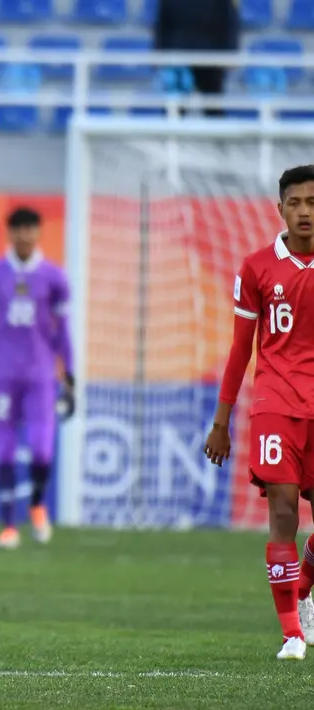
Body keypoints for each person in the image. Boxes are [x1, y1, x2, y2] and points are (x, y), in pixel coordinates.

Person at [205, 165, 314, 661]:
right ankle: (292, 633)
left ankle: (304, 589)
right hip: (275, 403)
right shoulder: (257, 267)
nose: (304, 212)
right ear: (280, 209)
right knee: (284, 510)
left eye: (312, 202)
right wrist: (221, 422)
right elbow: (239, 350)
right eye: (295, 202)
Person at [0, 207, 73, 550]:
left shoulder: (55, 277)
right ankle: (9, 526)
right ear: (9, 233)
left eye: (30, 229)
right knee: (5, 453)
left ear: (38, 233)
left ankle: (37, 504)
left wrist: (69, 375)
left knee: (41, 450)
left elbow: (62, 331)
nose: (24, 235)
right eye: (18, 229)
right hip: (1, 376)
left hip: (40, 377)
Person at [154, 0, 240, 117]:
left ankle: (217, 135)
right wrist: (158, 53)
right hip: (179, 58)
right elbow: (162, 23)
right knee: (174, 108)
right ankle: (171, 135)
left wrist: (231, 53)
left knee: (214, 108)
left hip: (211, 59)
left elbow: (230, 22)